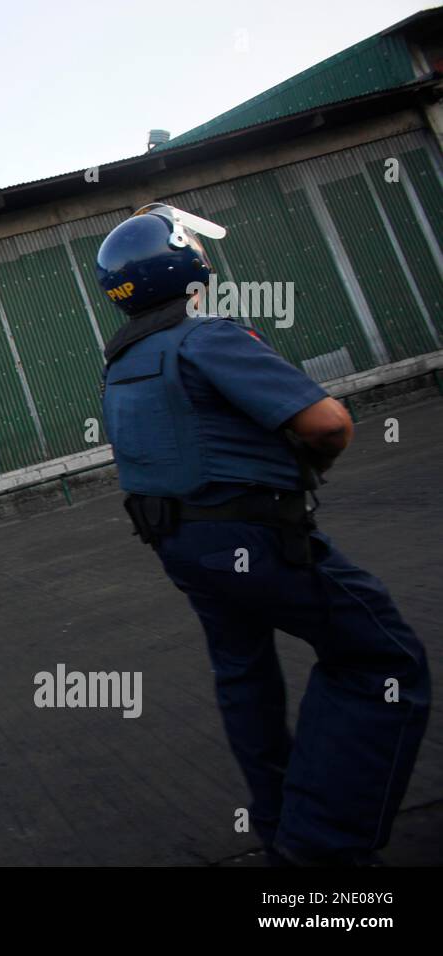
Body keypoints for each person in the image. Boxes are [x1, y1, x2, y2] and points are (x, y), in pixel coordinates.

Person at [96, 203, 430, 866]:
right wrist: (309, 466)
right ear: (186, 261)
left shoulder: (119, 365)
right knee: (381, 658)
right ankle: (323, 850)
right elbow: (327, 424)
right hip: (255, 541)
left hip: (182, 549)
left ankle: (282, 833)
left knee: (244, 678)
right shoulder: (207, 337)